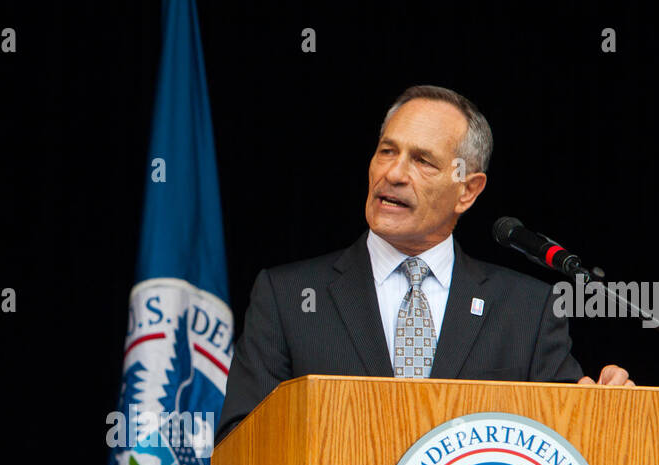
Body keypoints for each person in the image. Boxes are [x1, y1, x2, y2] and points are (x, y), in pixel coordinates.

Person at [216, 84, 632, 444]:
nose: (393, 174)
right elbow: (241, 441)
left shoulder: (527, 310)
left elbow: (563, 443)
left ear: (467, 191)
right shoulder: (288, 297)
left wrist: (603, 413)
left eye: (422, 161)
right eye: (386, 151)